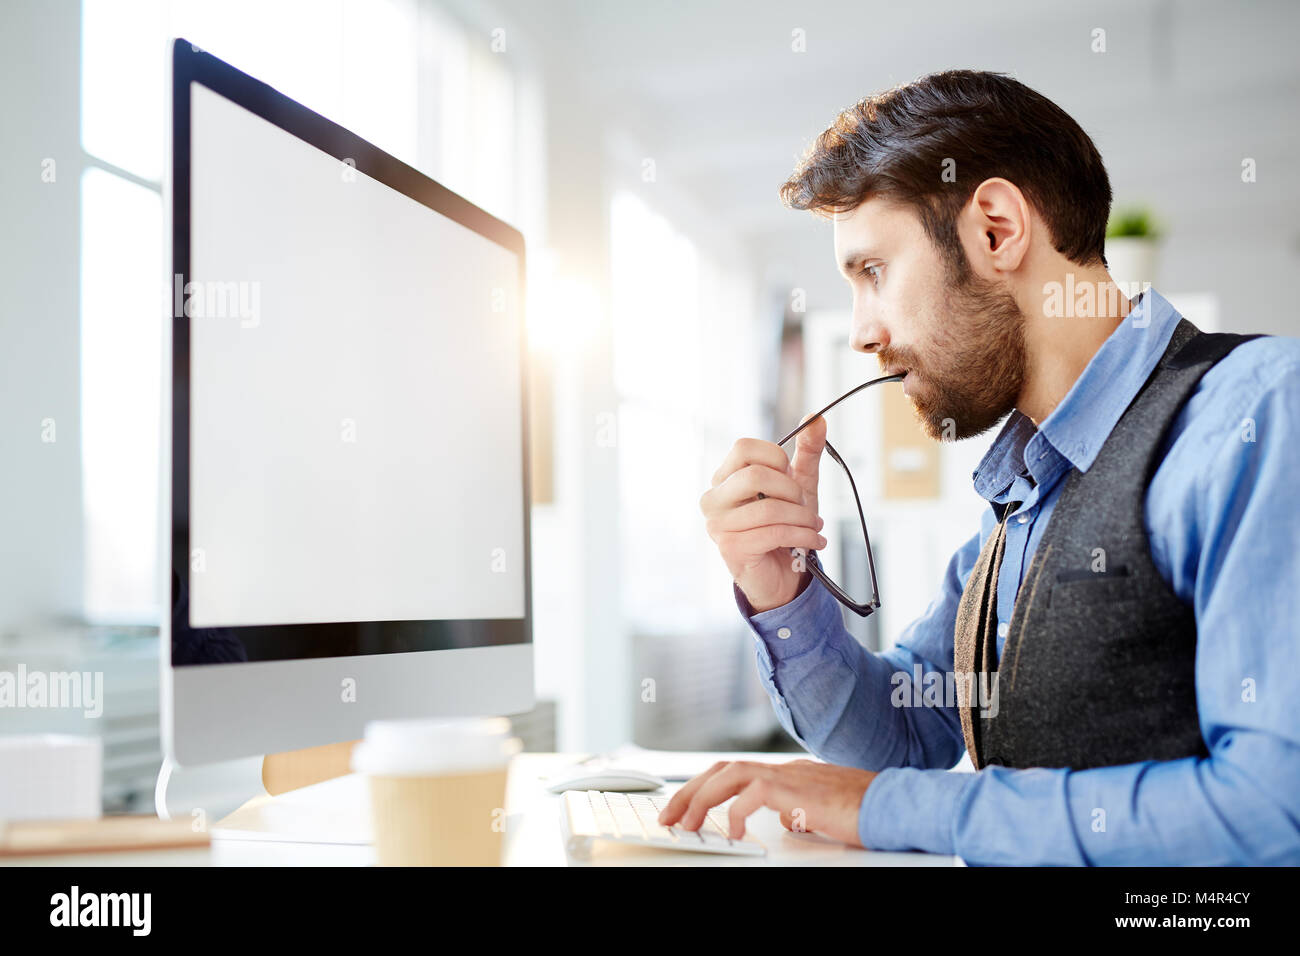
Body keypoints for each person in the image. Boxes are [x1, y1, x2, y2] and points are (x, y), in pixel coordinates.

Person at [657, 69, 1300, 865]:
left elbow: (1274, 812)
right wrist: (779, 588)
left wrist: (891, 808)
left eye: (872, 272)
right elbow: (899, 733)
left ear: (997, 230)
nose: (861, 332)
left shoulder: (1256, 412)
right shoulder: (1022, 497)